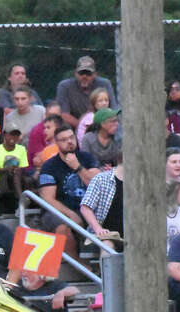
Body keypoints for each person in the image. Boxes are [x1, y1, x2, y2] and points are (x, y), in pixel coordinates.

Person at [37, 124, 100, 259]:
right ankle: (80, 266)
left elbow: (96, 184)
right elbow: (48, 198)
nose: (70, 142)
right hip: (60, 210)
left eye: (72, 137)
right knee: (62, 228)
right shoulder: (49, 166)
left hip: (87, 207)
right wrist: (71, 214)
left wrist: (77, 167)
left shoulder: (86, 158)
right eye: (64, 140)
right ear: (56, 143)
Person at [55, 56, 116, 129]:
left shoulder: (104, 84)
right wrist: (84, 127)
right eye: (81, 73)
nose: (84, 76)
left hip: (102, 127)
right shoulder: (65, 86)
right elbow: (64, 114)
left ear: (95, 74)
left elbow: (113, 110)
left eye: (88, 73)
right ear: (75, 73)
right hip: (74, 130)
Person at [80, 160, 124, 245]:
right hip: (107, 236)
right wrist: (98, 229)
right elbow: (85, 208)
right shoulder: (101, 179)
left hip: (135, 236)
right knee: (107, 246)